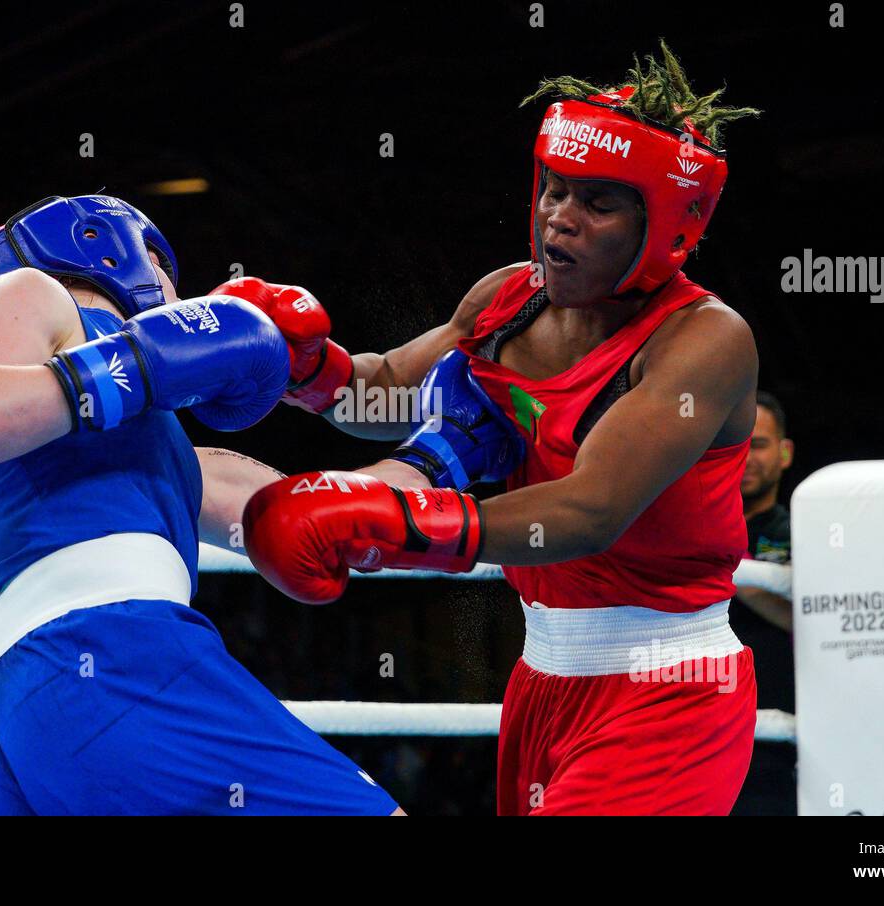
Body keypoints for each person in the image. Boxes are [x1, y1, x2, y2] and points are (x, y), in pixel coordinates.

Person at [237, 43, 764, 815]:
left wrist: (405, 520)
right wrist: (298, 367)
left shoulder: (704, 340)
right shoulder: (508, 299)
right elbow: (381, 392)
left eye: (598, 203)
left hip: (669, 688)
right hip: (542, 677)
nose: (560, 217)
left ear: (668, 226)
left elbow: (592, 510)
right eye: (553, 189)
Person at [0, 194, 400, 815]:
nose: (178, 293)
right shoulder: (35, 294)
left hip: (7, 715)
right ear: (107, 246)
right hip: (114, 660)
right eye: (165, 269)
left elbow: (329, 518)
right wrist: (141, 359)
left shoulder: (153, 452)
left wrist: (444, 449)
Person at [729, 390, 796, 815]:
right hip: (700, 729)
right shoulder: (689, 531)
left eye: (759, 444)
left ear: (785, 453)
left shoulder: (808, 531)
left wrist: (734, 574)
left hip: (778, 738)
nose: (746, 457)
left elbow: (815, 622)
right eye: (736, 446)